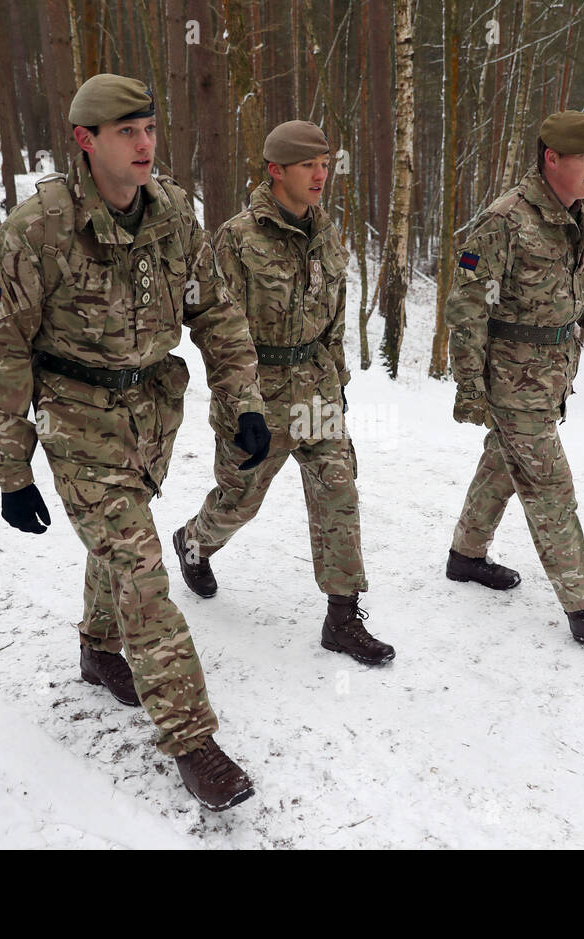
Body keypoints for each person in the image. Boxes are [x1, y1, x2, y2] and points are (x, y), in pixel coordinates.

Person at [0, 74, 272, 811]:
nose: (145, 144)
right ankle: (193, 738)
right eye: (126, 132)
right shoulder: (38, 228)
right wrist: (13, 471)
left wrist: (246, 402)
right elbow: (0, 350)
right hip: (77, 421)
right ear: (85, 140)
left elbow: (218, 315)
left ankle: (99, 649)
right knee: (141, 570)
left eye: (150, 128)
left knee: (118, 544)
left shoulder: (173, 214)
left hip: (153, 415)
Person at [173, 120, 393, 667]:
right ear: (276, 171)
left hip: (315, 389)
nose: (322, 174)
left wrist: (338, 388)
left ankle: (342, 617)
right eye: (308, 165)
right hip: (258, 395)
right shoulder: (237, 239)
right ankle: (194, 542)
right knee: (240, 501)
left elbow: (335, 320)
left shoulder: (330, 233)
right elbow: (216, 330)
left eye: (326, 163)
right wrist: (239, 405)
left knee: (338, 490)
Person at [445, 109, 584, 650]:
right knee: (550, 487)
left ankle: (465, 556)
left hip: (555, 376)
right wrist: (468, 385)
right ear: (551, 158)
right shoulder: (504, 221)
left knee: (504, 464)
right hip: (511, 379)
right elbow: (467, 308)